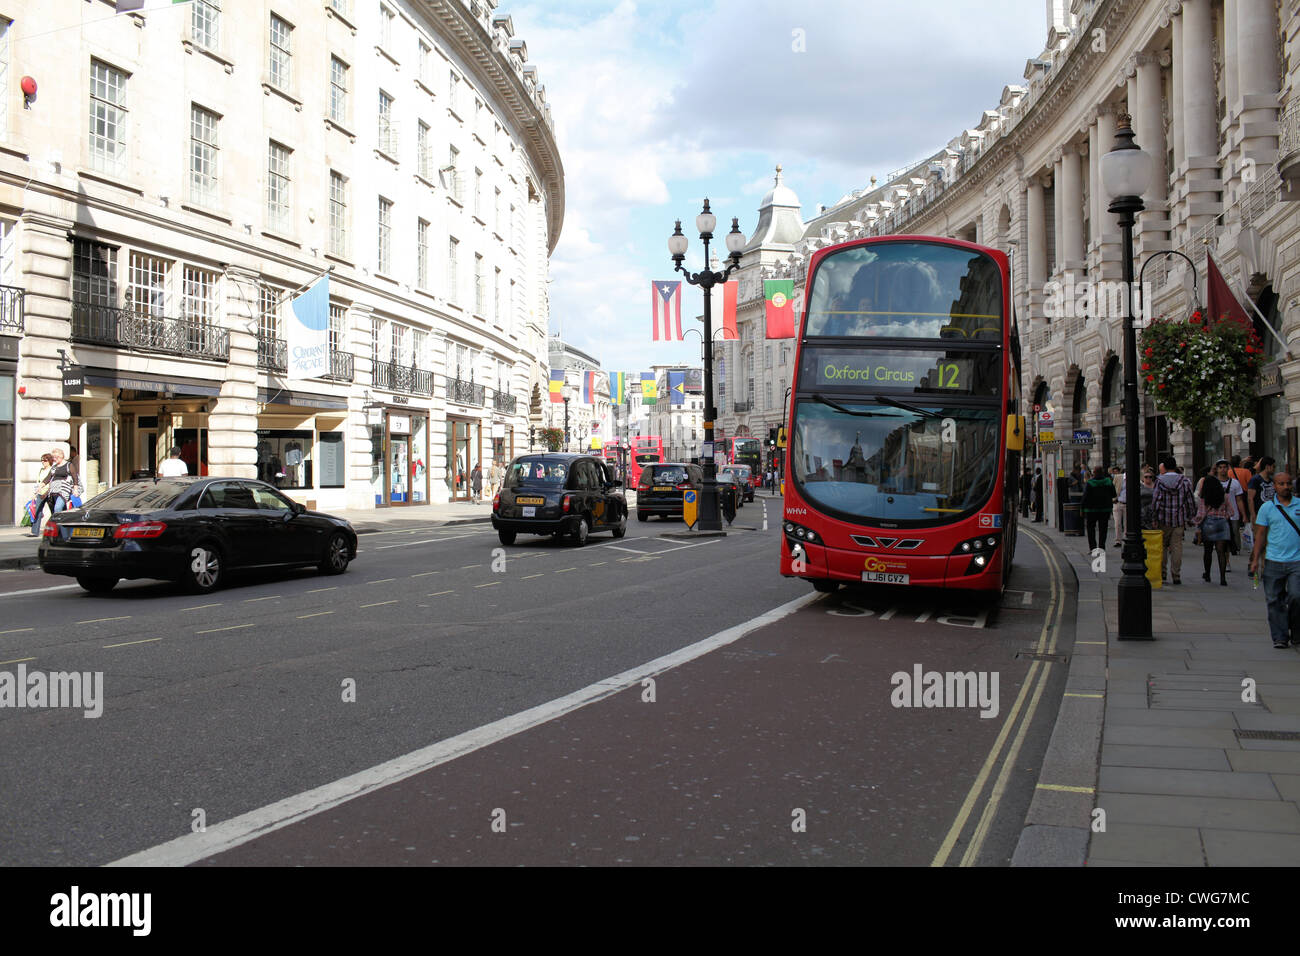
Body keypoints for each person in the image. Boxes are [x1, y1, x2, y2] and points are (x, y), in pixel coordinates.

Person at [1250, 471, 1300, 648]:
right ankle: (1280, 637)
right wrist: (1255, 560)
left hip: (1297, 561)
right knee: (1274, 600)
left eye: (1288, 484)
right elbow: (1261, 535)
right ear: (1274, 487)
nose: (1286, 487)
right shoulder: (1267, 508)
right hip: (1273, 560)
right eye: (1282, 484)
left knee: (1296, 596)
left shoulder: (1299, 505)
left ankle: (1296, 631)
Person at [1151, 455, 1196, 585]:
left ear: (1164, 467)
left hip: (1162, 519)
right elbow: (1190, 500)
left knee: (1163, 547)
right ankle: (1176, 575)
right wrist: (1191, 516)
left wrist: (1154, 516)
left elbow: (1156, 500)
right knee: (1177, 547)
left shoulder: (1159, 481)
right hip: (1179, 519)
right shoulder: (1184, 481)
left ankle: (1163, 573)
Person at [1195, 468, 1231, 586]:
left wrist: (1197, 525)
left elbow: (1200, 514)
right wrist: (1224, 516)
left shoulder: (1204, 498)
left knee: (1208, 551)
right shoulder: (1224, 496)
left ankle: (1208, 574)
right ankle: (1222, 578)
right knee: (1221, 552)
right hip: (1222, 523)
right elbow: (1232, 512)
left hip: (1209, 523)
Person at [1211, 458, 1247, 571]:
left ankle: (1229, 555)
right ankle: (1226, 561)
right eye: (1220, 467)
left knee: (1231, 537)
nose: (1223, 470)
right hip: (1217, 516)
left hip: (1233, 515)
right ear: (1216, 469)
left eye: (1225, 467)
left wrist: (1244, 514)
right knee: (1223, 540)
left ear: (1228, 468)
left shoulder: (1235, 483)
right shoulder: (1213, 482)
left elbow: (1239, 500)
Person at [1081, 466, 1117, 554]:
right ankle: (1101, 548)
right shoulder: (1108, 482)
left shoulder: (1090, 483)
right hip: (1105, 510)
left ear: (1094, 473)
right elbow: (1114, 494)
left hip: (1091, 510)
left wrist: (1082, 508)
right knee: (1103, 529)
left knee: (1091, 529)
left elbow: (1085, 497)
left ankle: (1093, 548)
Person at [27, 453, 53, 536]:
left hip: (48, 493)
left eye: (45, 460)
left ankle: (56, 530)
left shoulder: (52, 469)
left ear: (49, 461)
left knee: (54, 511)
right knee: (37, 511)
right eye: (42, 460)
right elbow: (38, 482)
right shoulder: (41, 470)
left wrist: (47, 491)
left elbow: (50, 482)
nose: (43, 462)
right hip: (40, 493)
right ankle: (34, 532)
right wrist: (35, 493)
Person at [1110, 465, 1125, 546]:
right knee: (1117, 523)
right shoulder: (1118, 477)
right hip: (1118, 502)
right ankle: (1118, 540)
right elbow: (1112, 487)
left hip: (1127, 504)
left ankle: (1126, 539)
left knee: (1127, 524)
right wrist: (1113, 499)